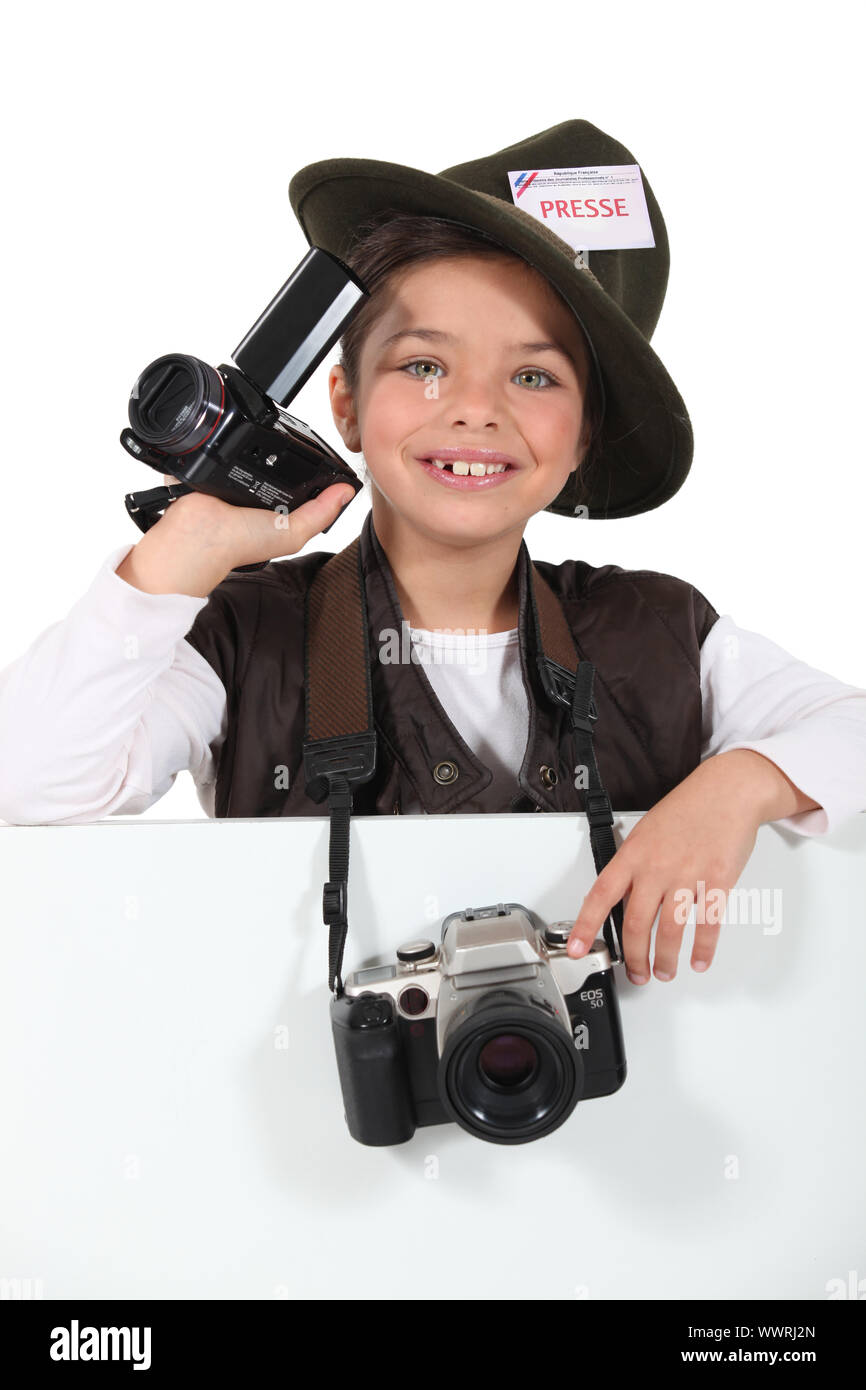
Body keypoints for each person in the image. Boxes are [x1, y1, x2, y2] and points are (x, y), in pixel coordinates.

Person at [1, 120, 864, 994]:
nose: (475, 410)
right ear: (343, 402)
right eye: (423, 365)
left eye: (533, 377)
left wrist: (740, 786)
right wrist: (182, 549)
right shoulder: (244, 635)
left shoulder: (659, 631)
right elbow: (32, 786)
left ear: (583, 438)